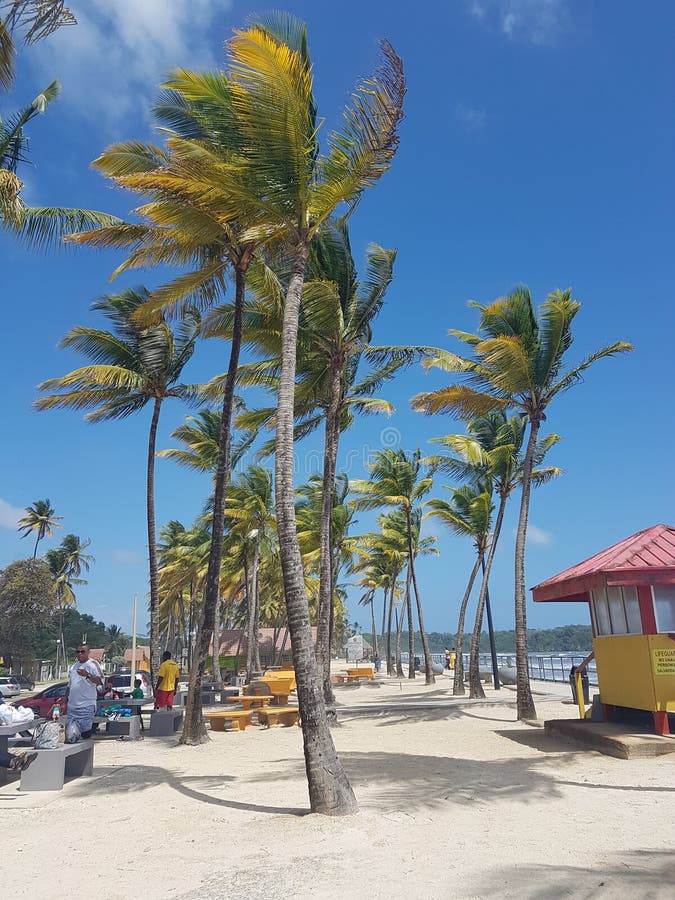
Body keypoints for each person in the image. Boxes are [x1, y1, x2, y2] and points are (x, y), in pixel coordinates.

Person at [65, 643, 103, 740]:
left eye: (82, 652)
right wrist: (65, 702)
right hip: (72, 707)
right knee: (70, 736)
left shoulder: (93, 665)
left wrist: (88, 675)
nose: (80, 654)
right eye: (78, 652)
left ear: (88, 652)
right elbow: (70, 685)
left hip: (86, 706)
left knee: (84, 736)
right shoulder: (74, 667)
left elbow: (100, 681)